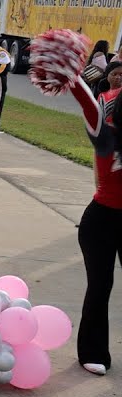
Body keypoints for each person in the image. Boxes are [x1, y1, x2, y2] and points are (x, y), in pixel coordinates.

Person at [68, 66, 122, 375]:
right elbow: (86, 100)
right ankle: (93, 351)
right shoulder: (106, 131)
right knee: (100, 287)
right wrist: (68, 72)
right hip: (101, 221)